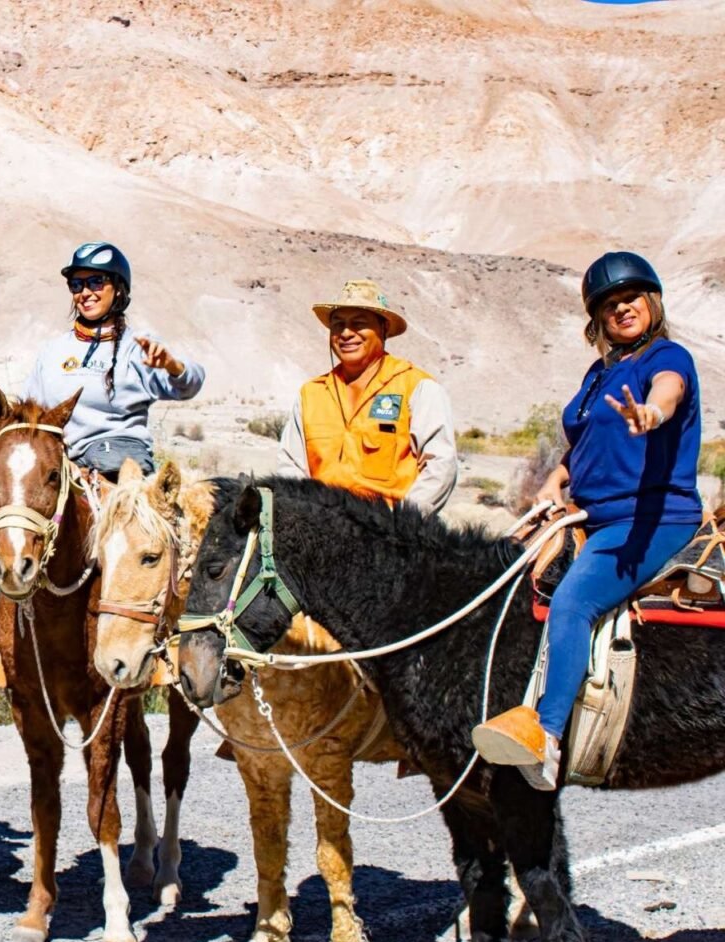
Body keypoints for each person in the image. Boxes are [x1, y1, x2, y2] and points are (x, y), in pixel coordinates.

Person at [473, 252, 702, 790]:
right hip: (590, 514)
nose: (622, 309)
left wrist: (652, 413)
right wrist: (557, 477)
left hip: (649, 517)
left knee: (574, 601)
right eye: (609, 305)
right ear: (597, 319)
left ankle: (546, 738)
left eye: (630, 299)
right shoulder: (600, 374)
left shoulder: (668, 358)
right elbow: (584, 442)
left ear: (652, 303)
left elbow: (667, 391)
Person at [21, 241, 204, 479]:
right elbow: (28, 413)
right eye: (76, 285)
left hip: (123, 469)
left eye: (96, 282)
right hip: (64, 468)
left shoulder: (137, 346)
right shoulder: (53, 351)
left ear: (118, 288)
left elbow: (190, 385)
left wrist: (172, 366)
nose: (85, 293)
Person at [276, 279, 457, 512]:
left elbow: (441, 466)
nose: (346, 333)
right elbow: (290, 465)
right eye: (338, 325)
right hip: (320, 532)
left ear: (383, 329)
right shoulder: (310, 394)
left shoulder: (417, 387)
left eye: (359, 324)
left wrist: (401, 523)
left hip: (390, 535)